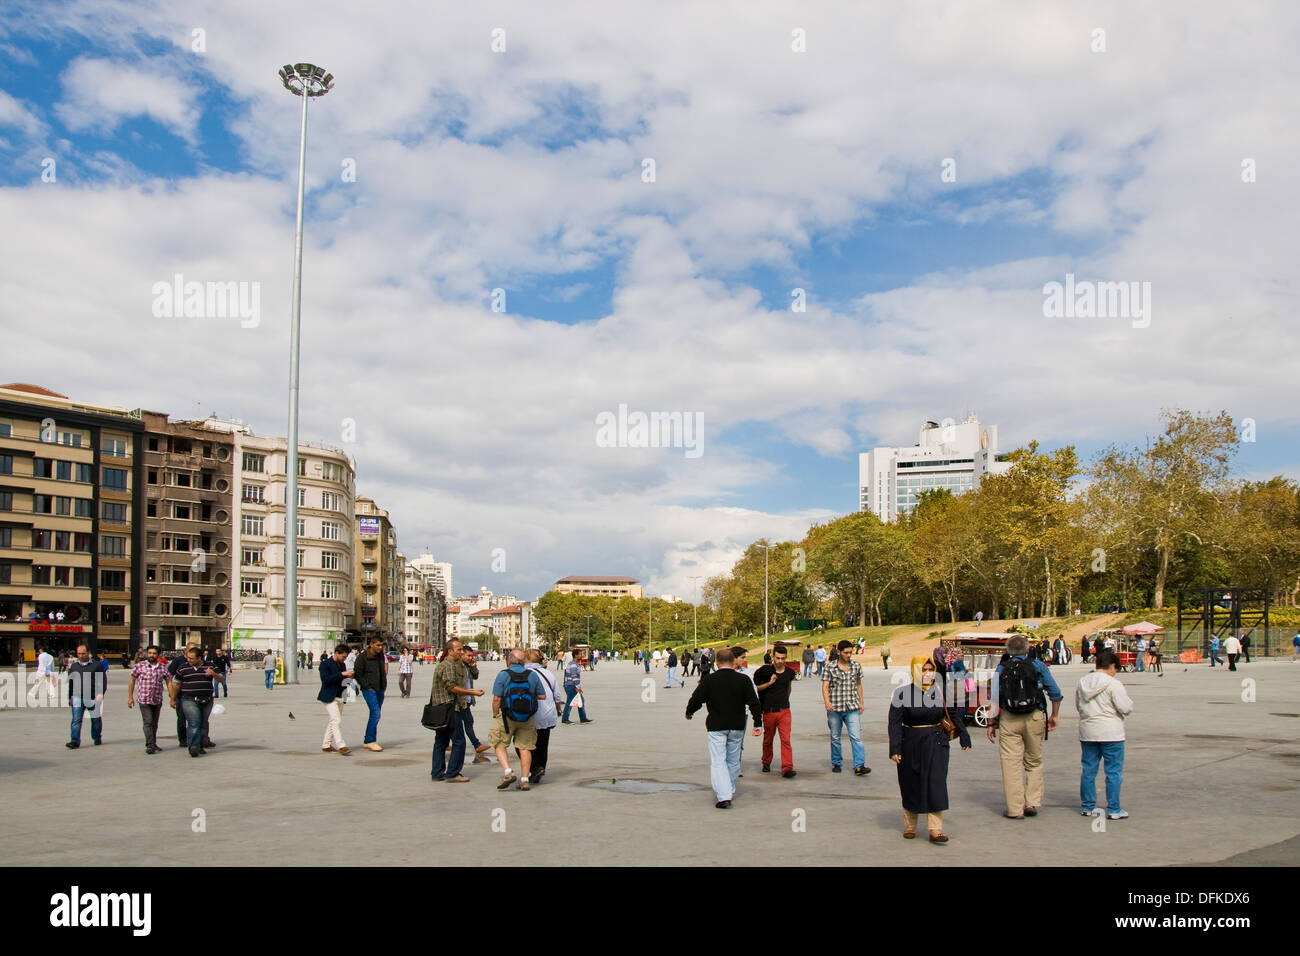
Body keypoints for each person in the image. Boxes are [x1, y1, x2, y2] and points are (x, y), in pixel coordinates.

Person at [888, 655, 971, 843]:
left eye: (930, 670)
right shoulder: (901, 693)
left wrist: (964, 735)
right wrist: (895, 748)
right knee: (910, 782)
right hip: (910, 742)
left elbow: (954, 714)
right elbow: (894, 723)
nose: (927, 673)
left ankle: (935, 830)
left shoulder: (941, 691)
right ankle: (910, 826)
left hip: (937, 742)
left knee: (936, 782)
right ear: (915, 671)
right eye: (923, 670)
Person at [988, 635, 1063, 819]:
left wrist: (991, 724)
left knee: (1010, 763)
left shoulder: (1001, 668)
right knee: (1034, 761)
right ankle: (1031, 802)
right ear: (1028, 649)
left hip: (1009, 718)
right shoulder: (1037, 666)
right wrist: (1054, 715)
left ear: (1008, 650)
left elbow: (994, 698)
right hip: (1034, 716)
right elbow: (1055, 693)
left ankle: (1014, 809)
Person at [685, 647, 762, 809]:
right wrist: (757, 723)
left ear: (716, 662)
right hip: (737, 725)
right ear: (733, 661)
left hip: (716, 726)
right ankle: (730, 789)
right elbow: (754, 702)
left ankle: (724, 796)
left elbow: (697, 698)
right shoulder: (743, 680)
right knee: (733, 760)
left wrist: (689, 712)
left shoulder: (709, 680)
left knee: (718, 761)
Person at [1077, 649, 1134, 820]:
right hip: (1111, 732)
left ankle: (1087, 806)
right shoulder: (1113, 684)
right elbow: (1125, 707)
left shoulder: (1082, 682)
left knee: (1088, 770)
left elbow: (1078, 705)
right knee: (1113, 772)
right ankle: (1114, 809)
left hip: (1088, 730)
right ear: (1111, 666)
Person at [490, 649, 547, 790]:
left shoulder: (503, 675)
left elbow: (496, 698)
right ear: (523, 662)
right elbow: (542, 696)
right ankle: (524, 779)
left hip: (507, 716)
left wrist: (495, 714)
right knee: (525, 747)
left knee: (499, 743)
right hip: (527, 718)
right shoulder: (532, 675)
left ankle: (508, 772)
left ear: (508, 661)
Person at [430, 639, 482, 782]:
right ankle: (452, 773)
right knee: (459, 741)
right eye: (459, 650)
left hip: (442, 708)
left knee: (441, 742)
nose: (461, 652)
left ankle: (437, 772)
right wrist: (472, 693)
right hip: (450, 708)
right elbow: (451, 687)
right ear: (450, 651)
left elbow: (472, 675)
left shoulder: (451, 664)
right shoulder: (448, 666)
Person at [822, 639, 869, 775]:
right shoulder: (830, 667)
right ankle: (836, 762)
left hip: (852, 707)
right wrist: (827, 702)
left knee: (856, 736)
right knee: (835, 737)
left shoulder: (856, 666)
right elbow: (825, 686)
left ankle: (859, 765)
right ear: (839, 652)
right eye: (846, 652)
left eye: (850, 652)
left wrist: (861, 702)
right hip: (835, 708)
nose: (849, 655)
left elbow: (858, 684)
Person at [754, 643, 797, 777]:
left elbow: (788, 687)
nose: (780, 661)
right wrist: (769, 683)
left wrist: (785, 700)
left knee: (785, 740)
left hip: (784, 711)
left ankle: (787, 767)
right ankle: (766, 761)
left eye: (783, 658)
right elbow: (756, 689)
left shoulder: (790, 673)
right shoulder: (764, 671)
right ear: (773, 657)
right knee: (768, 739)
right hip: (768, 711)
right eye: (777, 658)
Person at [169, 645, 218, 757]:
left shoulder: (210, 666)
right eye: (188, 657)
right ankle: (193, 746)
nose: (188, 660)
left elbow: (221, 678)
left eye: (191, 658)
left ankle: (200, 745)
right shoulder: (183, 667)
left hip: (207, 699)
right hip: (188, 699)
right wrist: (172, 698)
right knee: (194, 722)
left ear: (200, 658)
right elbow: (176, 684)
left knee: (203, 723)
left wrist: (213, 674)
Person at [523, 649, 560, 782]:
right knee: (543, 744)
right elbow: (557, 695)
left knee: (524, 743)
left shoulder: (525, 673)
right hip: (548, 713)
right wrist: (558, 710)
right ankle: (540, 770)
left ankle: (535, 768)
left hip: (532, 714)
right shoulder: (548, 673)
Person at [127, 645, 169, 753]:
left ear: (158, 655)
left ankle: (153, 743)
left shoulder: (162, 668)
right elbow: (132, 680)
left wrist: (172, 697)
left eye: (154, 653)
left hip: (157, 699)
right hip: (144, 699)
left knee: (154, 723)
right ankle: (150, 745)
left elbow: (169, 681)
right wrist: (130, 697)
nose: (151, 655)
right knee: (148, 722)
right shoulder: (140, 666)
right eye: (150, 653)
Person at [66, 644, 106, 748]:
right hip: (77, 697)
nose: (81, 655)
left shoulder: (97, 665)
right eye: (79, 653)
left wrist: (101, 693)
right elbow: (71, 682)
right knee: (76, 720)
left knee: (95, 719)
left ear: (88, 653)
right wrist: (69, 696)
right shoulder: (74, 666)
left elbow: (102, 681)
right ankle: (74, 741)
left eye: (83, 653)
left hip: (93, 697)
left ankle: (97, 737)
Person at [318, 643, 354, 755]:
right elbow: (325, 680)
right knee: (336, 720)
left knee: (333, 721)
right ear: (336, 653)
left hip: (339, 695)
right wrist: (342, 674)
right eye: (343, 656)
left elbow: (342, 681)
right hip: (328, 696)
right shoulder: (325, 664)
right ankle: (341, 745)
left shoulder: (342, 664)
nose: (345, 659)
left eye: (346, 657)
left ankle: (326, 744)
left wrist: (348, 679)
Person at [354, 637, 388, 751]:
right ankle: (370, 741)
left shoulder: (381, 656)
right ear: (371, 644)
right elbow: (358, 673)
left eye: (381, 645)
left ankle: (368, 739)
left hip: (380, 688)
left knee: (375, 714)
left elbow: (382, 670)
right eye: (378, 645)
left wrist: (384, 684)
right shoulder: (362, 657)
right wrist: (366, 686)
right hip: (369, 689)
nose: (380, 647)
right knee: (376, 713)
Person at [461, 649, 490, 762]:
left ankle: (445, 743)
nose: (471, 658)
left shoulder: (467, 666)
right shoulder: (458, 666)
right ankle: (477, 744)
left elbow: (475, 676)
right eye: (468, 655)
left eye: (471, 656)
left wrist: (473, 666)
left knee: (463, 722)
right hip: (461, 699)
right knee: (468, 721)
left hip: (467, 698)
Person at [561, 653, 593, 724]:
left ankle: (583, 718)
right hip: (571, 685)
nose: (581, 656)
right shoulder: (573, 665)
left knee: (581, 701)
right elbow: (574, 677)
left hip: (571, 685)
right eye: (580, 654)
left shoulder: (574, 664)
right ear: (575, 655)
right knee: (570, 702)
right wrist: (578, 687)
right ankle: (565, 719)